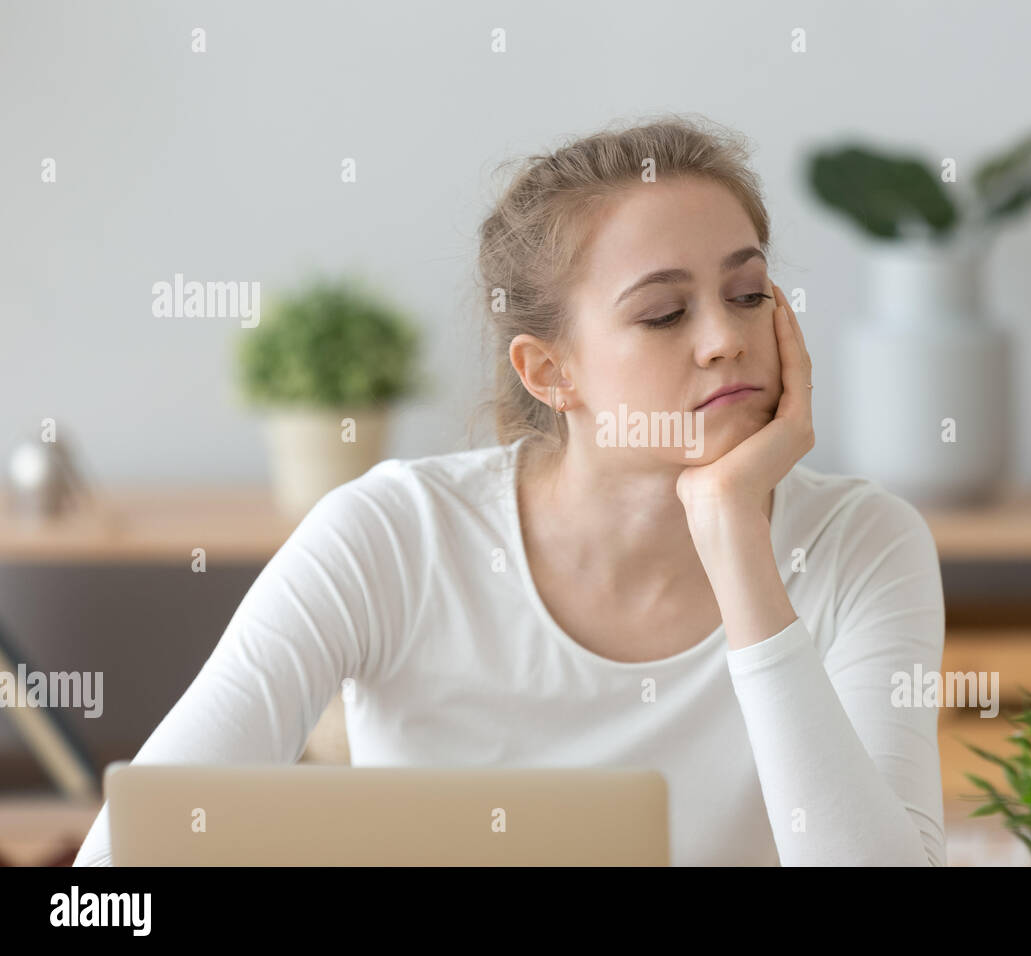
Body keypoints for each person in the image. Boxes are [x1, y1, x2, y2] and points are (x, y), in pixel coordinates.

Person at [73, 113, 946, 866]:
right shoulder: (389, 536)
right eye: (664, 313)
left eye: (749, 293)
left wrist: (735, 539)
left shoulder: (864, 543)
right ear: (549, 370)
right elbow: (127, 860)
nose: (725, 338)